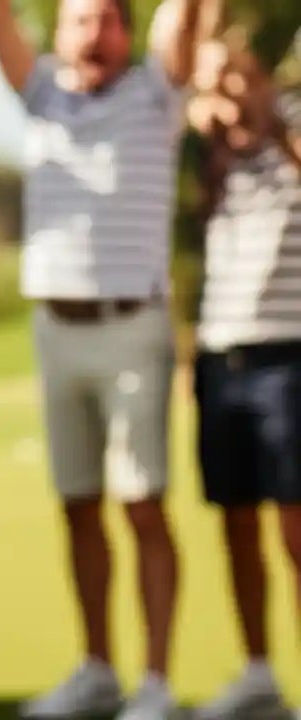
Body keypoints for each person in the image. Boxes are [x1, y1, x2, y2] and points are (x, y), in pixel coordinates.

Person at [0, 0, 204, 718]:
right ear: (60, 31)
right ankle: (99, 669)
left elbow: (189, 15)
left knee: (142, 507)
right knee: (77, 505)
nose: (95, 32)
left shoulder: (157, 89)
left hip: (132, 325)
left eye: (109, 18)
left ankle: (157, 683)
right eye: (81, 19)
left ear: (128, 30)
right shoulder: (39, 90)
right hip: (55, 329)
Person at [185, 24, 301, 720]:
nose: (226, 94)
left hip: (288, 356)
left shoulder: (289, 134)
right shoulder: (213, 158)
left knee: (296, 532)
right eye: (215, 82)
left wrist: (269, 113)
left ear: (260, 78)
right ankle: (259, 672)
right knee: (236, 523)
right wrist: (215, 111)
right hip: (219, 357)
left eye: (237, 77)